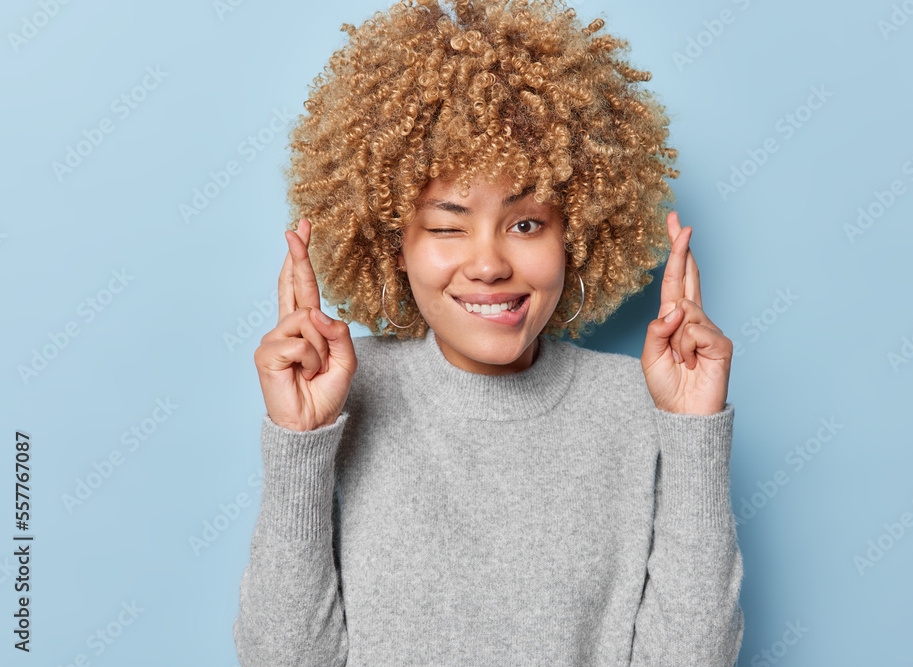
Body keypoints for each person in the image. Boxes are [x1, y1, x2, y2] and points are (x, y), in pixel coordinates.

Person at [234, 0, 743, 664]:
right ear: (395, 244)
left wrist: (693, 431)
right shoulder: (342, 393)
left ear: (578, 233)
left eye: (527, 222)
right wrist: (299, 443)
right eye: (447, 225)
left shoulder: (642, 404)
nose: (488, 263)